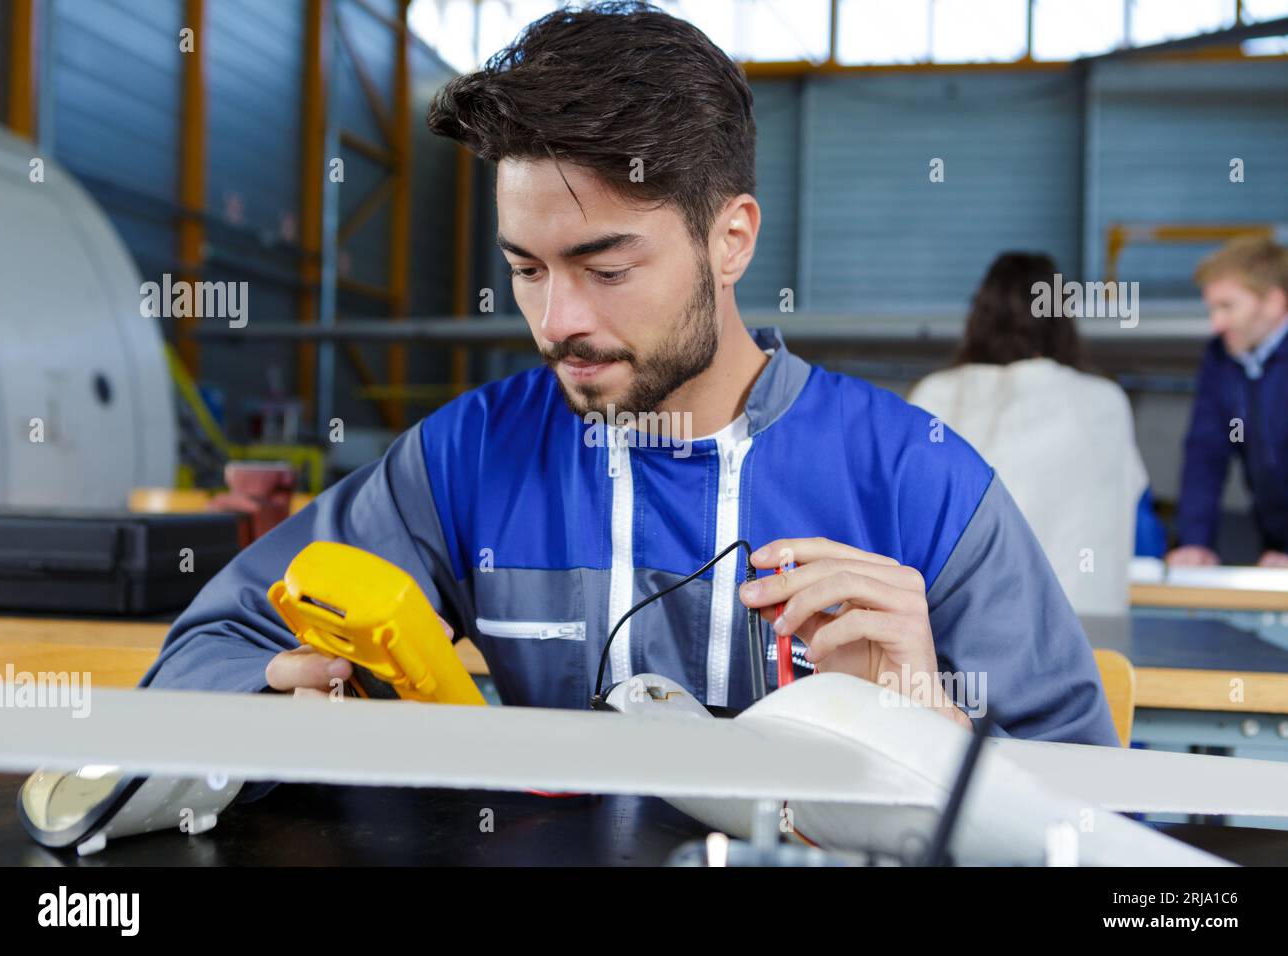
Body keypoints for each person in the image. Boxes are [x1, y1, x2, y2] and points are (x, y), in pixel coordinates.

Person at [141, 2, 1115, 749]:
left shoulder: (915, 475)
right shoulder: (468, 457)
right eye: (525, 269)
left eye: (607, 269)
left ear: (729, 239)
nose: (557, 321)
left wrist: (933, 724)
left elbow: (1100, 813)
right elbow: (197, 656)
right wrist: (280, 692)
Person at [909, 253, 1158, 616]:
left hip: (971, 634)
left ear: (978, 315)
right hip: (1092, 638)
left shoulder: (936, 396)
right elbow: (1139, 520)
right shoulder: (1104, 401)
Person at [1168, 236, 1288, 569]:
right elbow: (1205, 455)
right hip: (1275, 544)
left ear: (1274, 302)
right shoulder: (1222, 359)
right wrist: (1195, 542)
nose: (1215, 324)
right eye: (1211, 309)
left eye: (1227, 306)